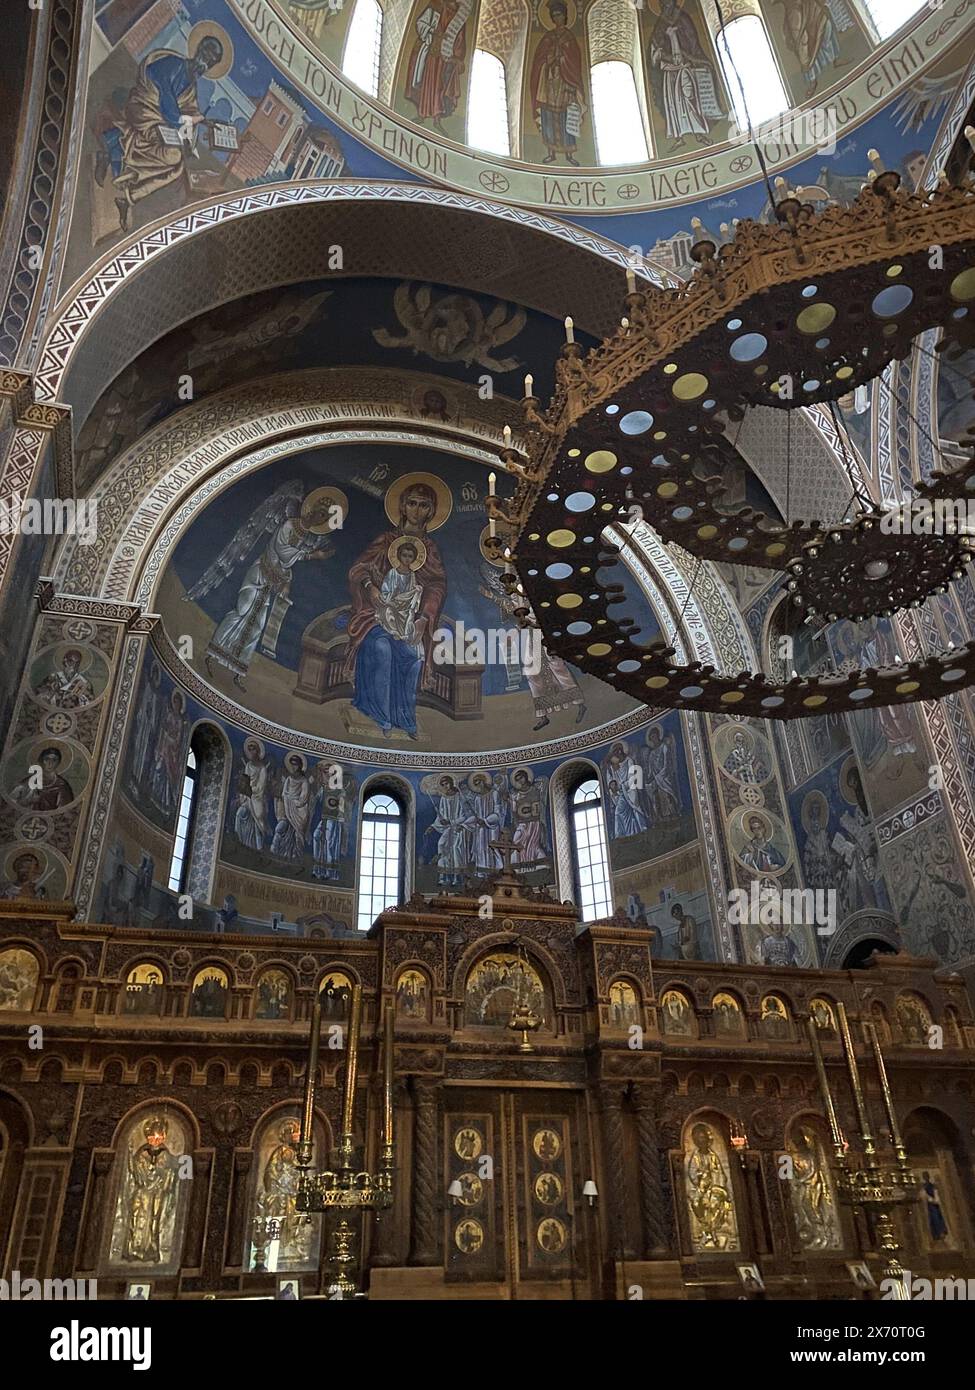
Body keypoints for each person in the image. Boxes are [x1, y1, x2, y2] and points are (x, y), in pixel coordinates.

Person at [96, 34, 227, 232]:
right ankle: (113, 146)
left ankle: (128, 198)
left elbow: (189, 111)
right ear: (198, 49)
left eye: (211, 61)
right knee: (165, 148)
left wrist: (201, 122)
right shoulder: (173, 63)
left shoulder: (192, 85)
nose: (206, 62)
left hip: (163, 124)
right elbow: (167, 102)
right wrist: (186, 120)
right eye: (206, 55)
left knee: (176, 163)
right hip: (143, 109)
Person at [345, 483, 446, 738]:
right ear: (402, 506)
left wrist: (424, 618)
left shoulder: (429, 551)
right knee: (382, 650)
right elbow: (358, 569)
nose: (416, 510)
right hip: (376, 615)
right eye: (411, 503)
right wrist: (370, 588)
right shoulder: (385, 541)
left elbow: (436, 585)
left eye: (423, 505)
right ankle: (380, 715)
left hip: (410, 621)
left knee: (413, 657)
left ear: (431, 511)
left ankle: (405, 719)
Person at [649, 0, 724, 146]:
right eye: (662, 4)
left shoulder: (683, 18)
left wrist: (692, 57)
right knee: (673, 103)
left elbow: (692, 41)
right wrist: (660, 54)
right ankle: (679, 137)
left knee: (690, 98)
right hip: (669, 71)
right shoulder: (660, 24)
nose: (665, 6)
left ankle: (700, 133)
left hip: (685, 67)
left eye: (667, 3)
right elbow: (655, 46)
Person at [529, 0, 585, 165]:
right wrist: (548, 59)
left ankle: (569, 155)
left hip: (565, 84)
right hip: (548, 85)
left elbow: (574, 62)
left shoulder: (569, 37)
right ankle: (551, 152)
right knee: (548, 117)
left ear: (565, 16)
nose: (556, 18)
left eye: (559, 15)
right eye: (554, 16)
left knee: (566, 116)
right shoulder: (548, 37)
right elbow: (539, 60)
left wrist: (562, 59)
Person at [10, 746, 75, 811]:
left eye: (54, 760)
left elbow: (65, 810)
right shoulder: (28, 781)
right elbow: (11, 803)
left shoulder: (62, 786)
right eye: (47, 759)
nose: (50, 763)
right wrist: (28, 800)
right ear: (41, 760)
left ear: (58, 762)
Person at [235, 739, 271, 852]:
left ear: (258, 752)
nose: (251, 752)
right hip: (247, 797)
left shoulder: (262, 768)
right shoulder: (249, 765)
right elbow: (245, 780)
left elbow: (261, 787)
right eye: (249, 750)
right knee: (239, 813)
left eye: (253, 750)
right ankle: (240, 840)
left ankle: (259, 848)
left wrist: (250, 788)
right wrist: (243, 789)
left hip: (257, 798)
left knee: (258, 821)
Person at [921, 1171, 949, 1242]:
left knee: (936, 1218)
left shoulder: (932, 1186)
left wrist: (933, 1199)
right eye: (924, 1176)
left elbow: (935, 1195)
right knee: (931, 1219)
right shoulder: (924, 1186)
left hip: (934, 1205)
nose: (925, 1178)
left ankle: (940, 1233)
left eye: (926, 1176)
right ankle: (935, 1235)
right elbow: (923, 1194)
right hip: (928, 1205)